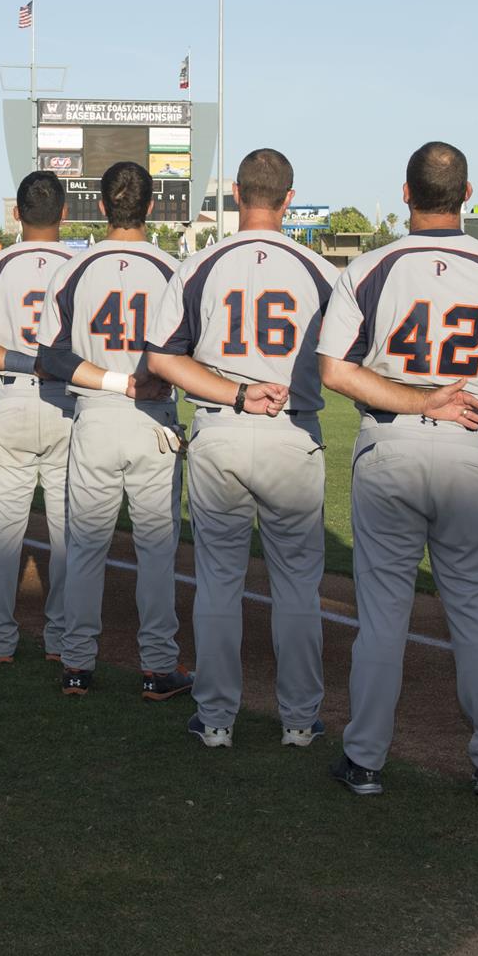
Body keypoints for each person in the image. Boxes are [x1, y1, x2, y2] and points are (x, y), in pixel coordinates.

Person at [315, 141, 478, 799]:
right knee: (476, 614)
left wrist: (412, 395)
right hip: (467, 444)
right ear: (467, 193)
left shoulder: (369, 267)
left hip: (390, 446)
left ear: (404, 193)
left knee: (382, 615)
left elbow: (335, 369)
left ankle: (368, 760)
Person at [146, 148, 333, 749]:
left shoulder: (198, 264)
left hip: (219, 427)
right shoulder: (322, 270)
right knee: (298, 586)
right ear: (289, 196)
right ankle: (300, 720)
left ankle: (217, 719)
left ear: (235, 192)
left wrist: (236, 391)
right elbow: (345, 364)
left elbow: (163, 359)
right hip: (293, 431)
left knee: (219, 580)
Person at [33, 162, 193, 699]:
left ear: (101, 207)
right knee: (155, 550)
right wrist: (138, 382)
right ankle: (158, 666)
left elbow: (51, 358)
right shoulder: (176, 268)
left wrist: (117, 382)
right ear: (150, 207)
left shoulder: (73, 268)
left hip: (96, 414)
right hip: (154, 417)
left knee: (85, 549)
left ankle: (77, 664)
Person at [0, 170, 74, 665]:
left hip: (12, 400)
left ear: (16, 214)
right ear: (64, 214)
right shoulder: (81, 264)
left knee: (4, 531)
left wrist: (22, 360)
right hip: (70, 402)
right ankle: (64, 640)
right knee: (71, 531)